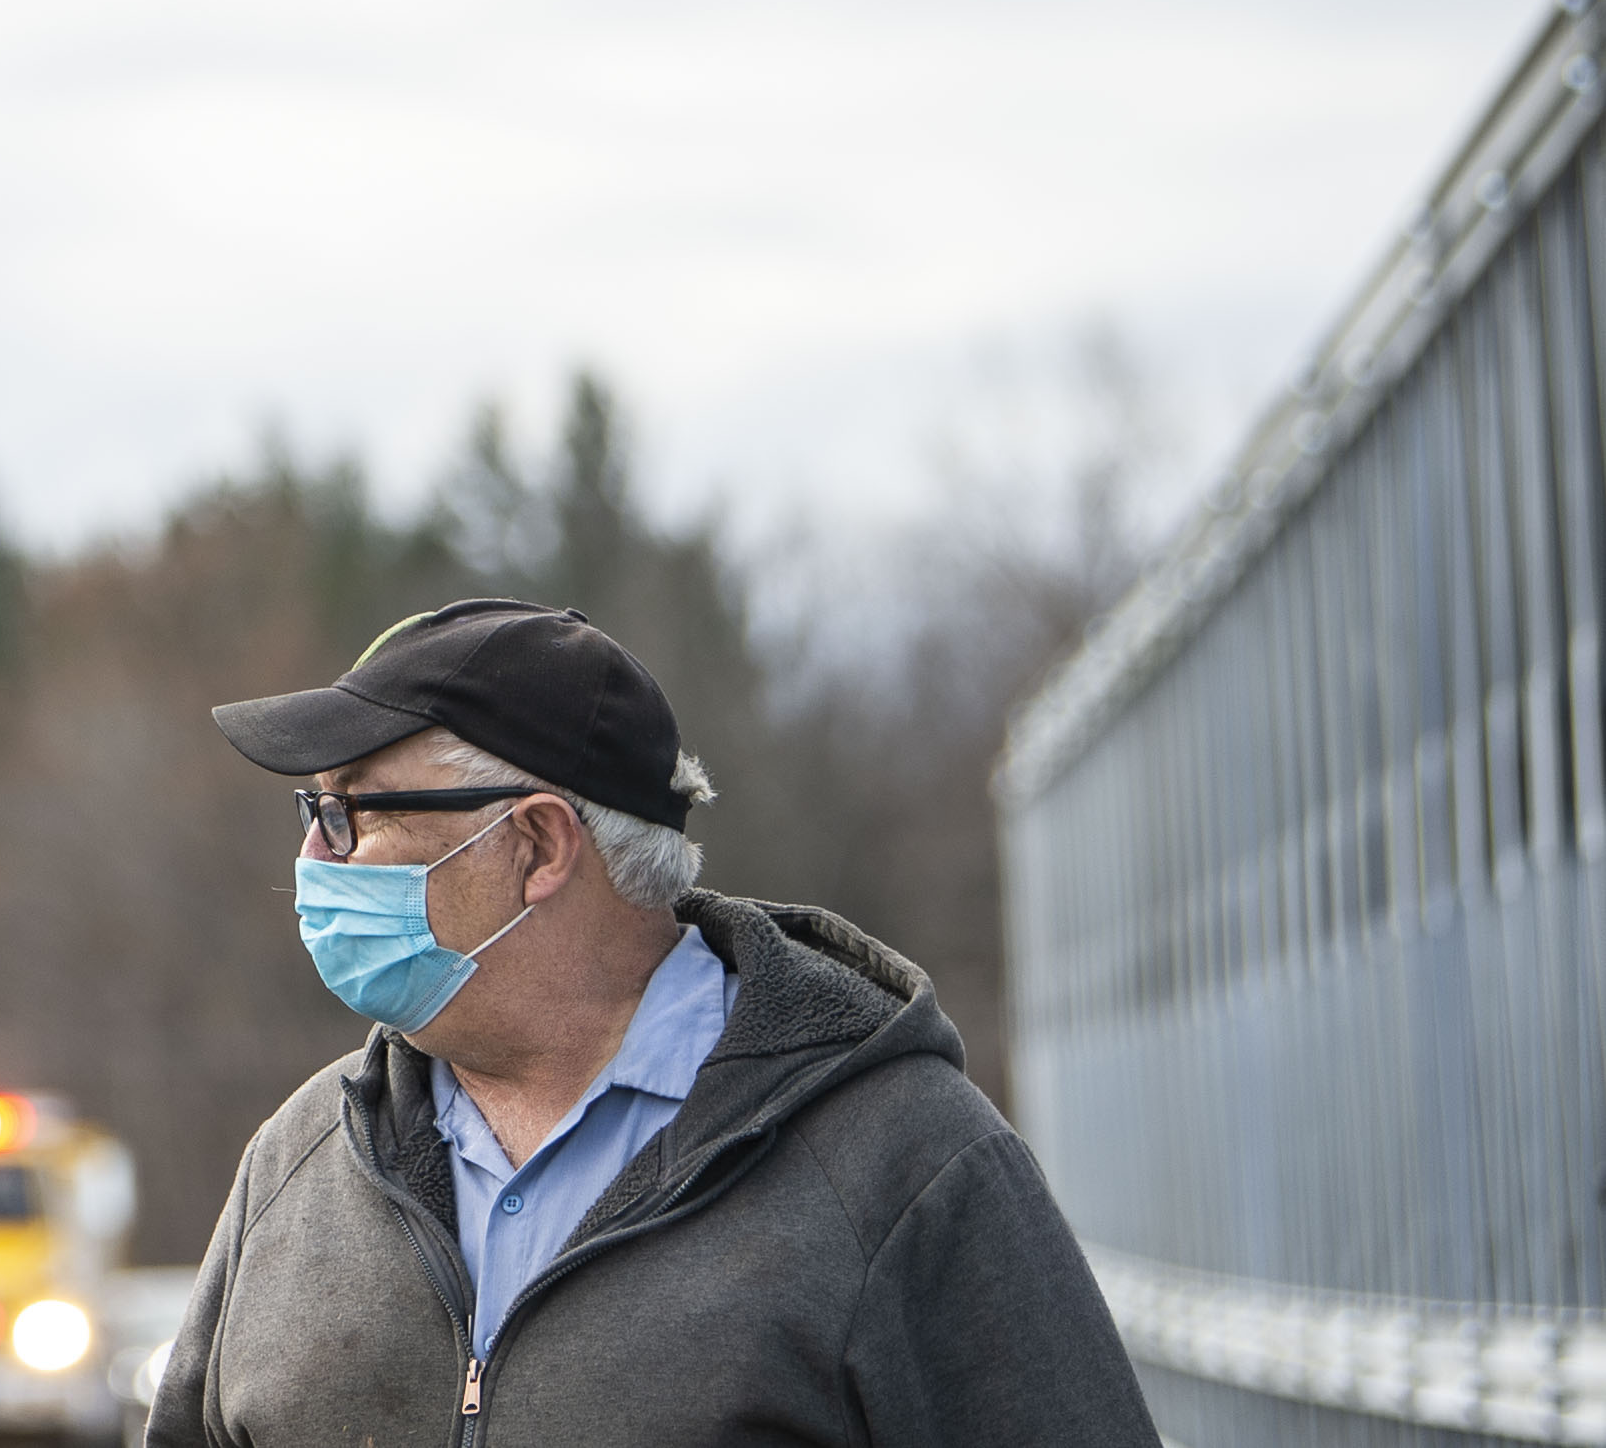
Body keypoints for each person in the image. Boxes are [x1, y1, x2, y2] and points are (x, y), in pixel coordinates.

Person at [146, 597, 1159, 1446]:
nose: (313, 862)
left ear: (536, 845)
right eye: (309, 812)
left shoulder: (901, 1164)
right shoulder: (295, 1167)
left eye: (351, 813)